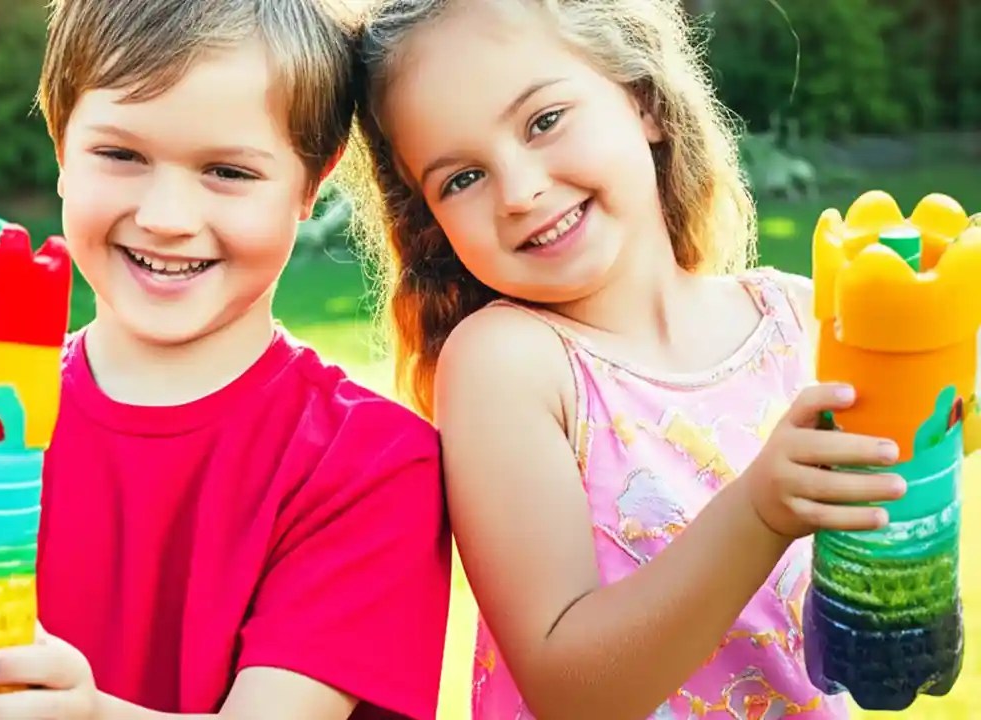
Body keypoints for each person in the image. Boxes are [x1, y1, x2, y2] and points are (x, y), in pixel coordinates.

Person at [0, 1, 453, 718]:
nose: (166, 216)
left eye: (227, 171)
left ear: (311, 183)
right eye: (121, 155)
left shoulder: (372, 467)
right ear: (61, 149)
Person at [344, 0, 906, 717]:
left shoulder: (799, 320)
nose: (520, 192)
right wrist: (760, 513)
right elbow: (569, 692)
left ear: (643, 100)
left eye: (544, 121)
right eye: (462, 178)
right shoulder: (508, 365)